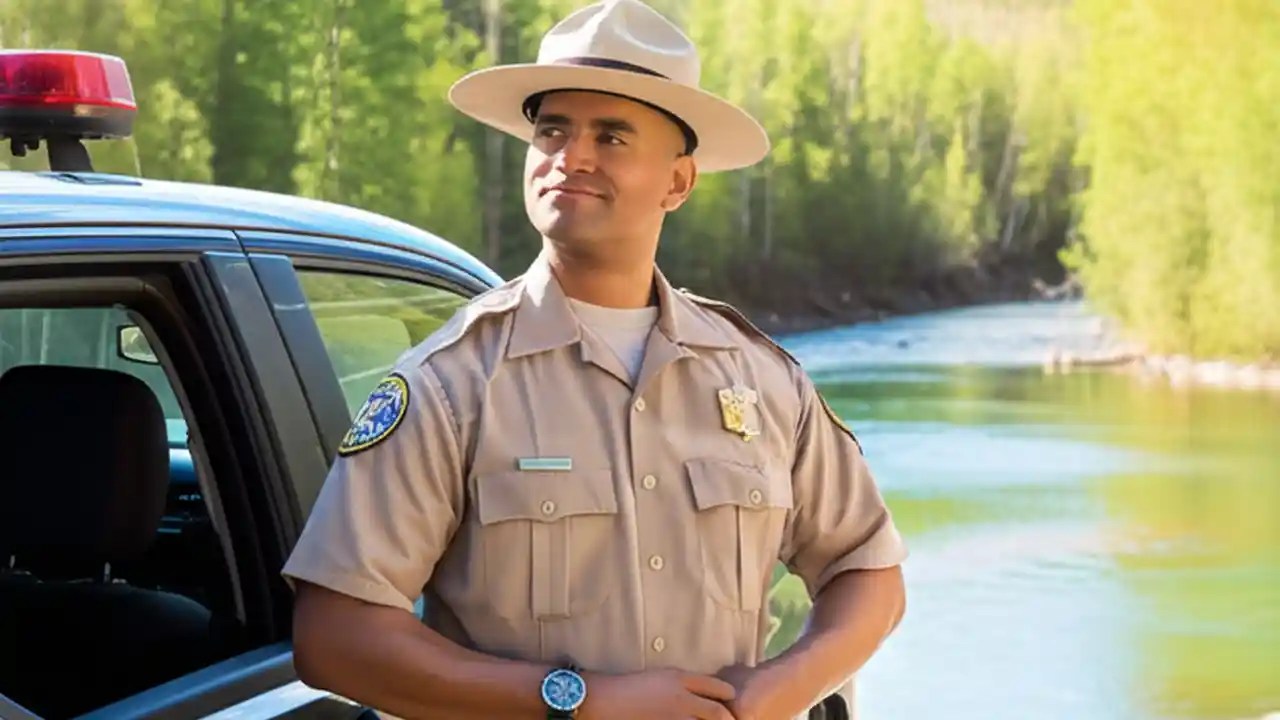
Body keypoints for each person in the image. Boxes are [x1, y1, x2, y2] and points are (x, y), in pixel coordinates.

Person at [283, 1, 908, 718]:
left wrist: (780, 690)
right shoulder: (452, 384)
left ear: (678, 182)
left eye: (611, 136)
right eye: (552, 130)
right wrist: (578, 702)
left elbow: (869, 572)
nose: (570, 156)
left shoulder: (761, 381)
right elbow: (334, 637)